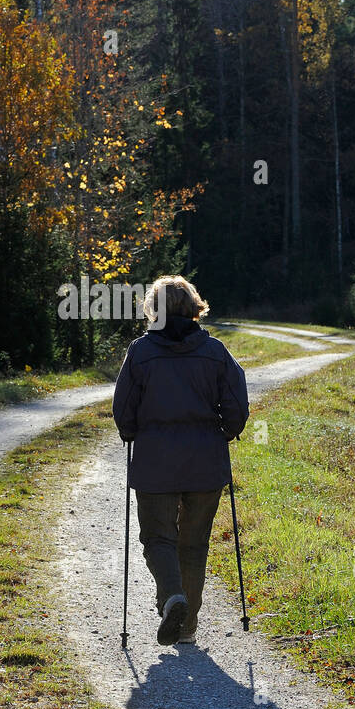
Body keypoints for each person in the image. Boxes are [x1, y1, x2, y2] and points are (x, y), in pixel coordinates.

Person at [112, 275, 249, 645]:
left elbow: (123, 408)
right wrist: (224, 432)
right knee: (194, 543)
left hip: (155, 462)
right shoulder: (216, 351)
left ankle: (172, 597)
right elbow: (237, 405)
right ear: (194, 307)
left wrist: (130, 431)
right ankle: (187, 628)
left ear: (152, 311)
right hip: (205, 461)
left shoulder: (141, 352)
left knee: (158, 537)